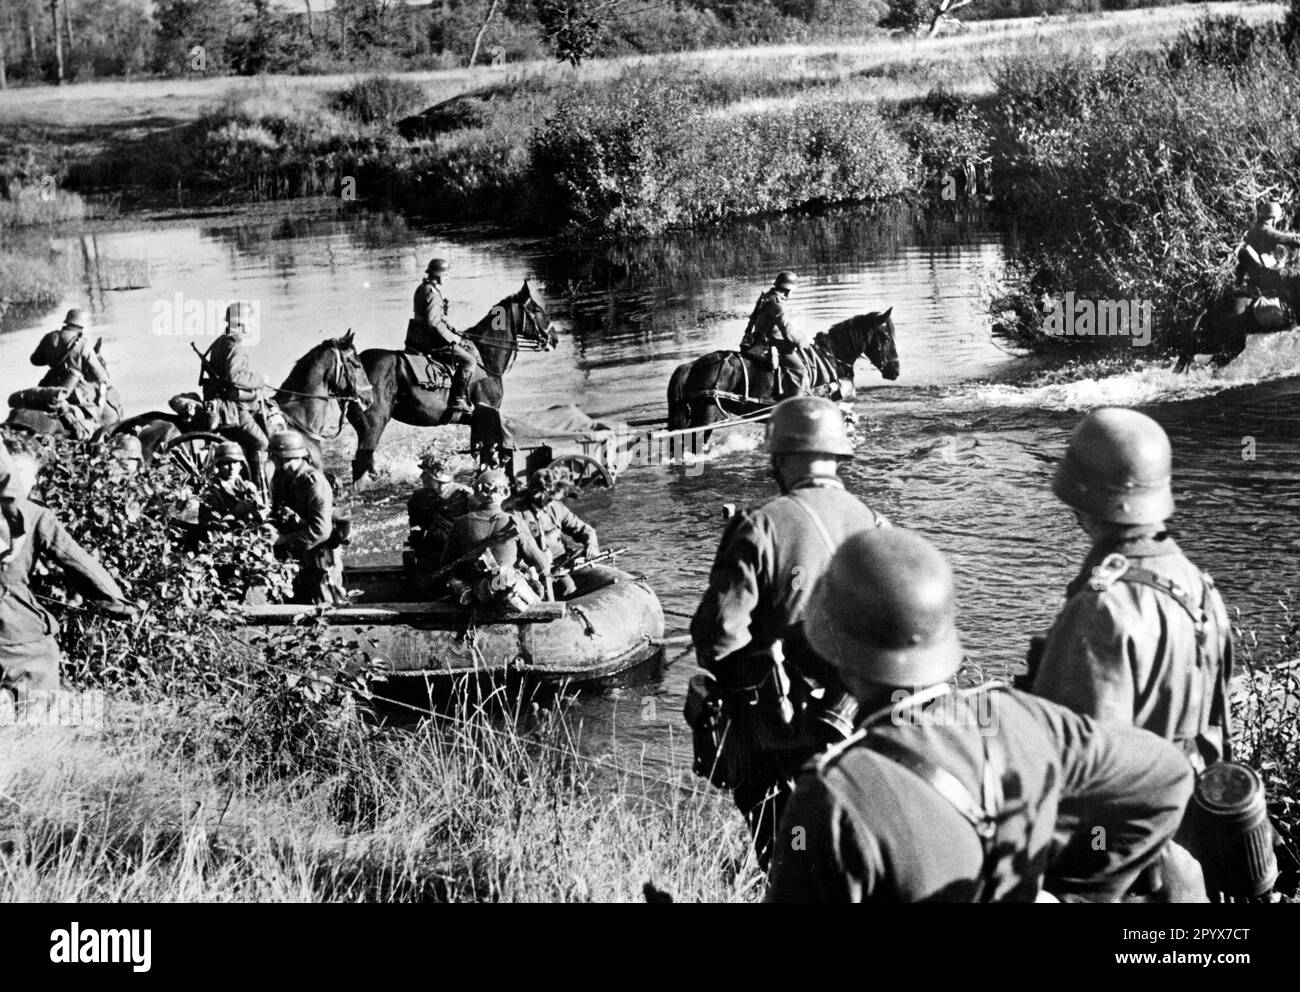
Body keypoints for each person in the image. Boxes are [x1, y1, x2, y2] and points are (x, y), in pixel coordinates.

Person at [766, 528, 1196, 903]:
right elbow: (1168, 778)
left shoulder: (835, 792)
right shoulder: (1023, 717)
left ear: (837, 651)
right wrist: (1079, 893)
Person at [1025, 407, 1233, 901]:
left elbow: (1081, 767)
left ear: (1083, 500)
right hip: (1186, 849)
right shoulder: (1199, 586)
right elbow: (1217, 730)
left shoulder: (1104, 608)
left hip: (1122, 868)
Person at [690, 396, 888, 870]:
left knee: (787, 858)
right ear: (838, 456)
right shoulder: (876, 523)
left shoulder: (762, 526)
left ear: (782, 457)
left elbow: (717, 639)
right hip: (857, 724)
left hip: (784, 735)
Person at [0, 449, 131, 701]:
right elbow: (77, 561)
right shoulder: (35, 514)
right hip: (16, 631)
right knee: (37, 707)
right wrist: (118, 606)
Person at [439, 468, 552, 607]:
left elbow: (446, 563)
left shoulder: (461, 522)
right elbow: (542, 566)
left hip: (473, 597)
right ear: (505, 493)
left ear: (478, 492)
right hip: (507, 594)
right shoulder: (514, 522)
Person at [268, 430, 343, 605]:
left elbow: (321, 531)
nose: (272, 461)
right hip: (297, 555)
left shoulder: (314, 483)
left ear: (283, 458)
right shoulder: (282, 479)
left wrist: (282, 539)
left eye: (275, 457)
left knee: (323, 604)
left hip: (319, 556)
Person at [199, 302, 268, 486]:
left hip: (222, 401)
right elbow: (235, 376)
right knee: (262, 444)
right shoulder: (235, 345)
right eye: (250, 321)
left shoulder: (222, 341)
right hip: (231, 407)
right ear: (241, 322)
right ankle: (261, 492)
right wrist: (260, 379)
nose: (252, 325)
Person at [29, 307, 117, 433]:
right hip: (76, 393)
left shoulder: (49, 337)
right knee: (111, 417)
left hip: (50, 388)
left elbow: (35, 360)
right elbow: (101, 375)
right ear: (81, 326)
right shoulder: (82, 344)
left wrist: (53, 357)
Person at [514, 467, 598, 597]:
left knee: (594, 579)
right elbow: (513, 551)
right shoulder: (517, 514)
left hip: (563, 561)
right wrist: (531, 568)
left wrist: (591, 544)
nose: (551, 503)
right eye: (549, 499)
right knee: (567, 587)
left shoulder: (556, 507)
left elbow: (583, 529)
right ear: (539, 493)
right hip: (536, 569)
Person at [405, 258, 474, 415]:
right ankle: (457, 399)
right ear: (438, 275)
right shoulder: (432, 293)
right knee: (470, 360)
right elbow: (434, 323)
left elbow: (434, 317)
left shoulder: (424, 287)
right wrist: (454, 339)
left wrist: (449, 323)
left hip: (419, 335)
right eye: (446, 274)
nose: (447, 278)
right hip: (430, 340)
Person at [738, 271, 814, 399]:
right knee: (800, 370)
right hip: (771, 345)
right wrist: (804, 342)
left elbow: (752, 320)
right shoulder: (779, 305)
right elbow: (788, 333)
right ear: (788, 290)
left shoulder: (765, 297)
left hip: (757, 342)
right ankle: (796, 405)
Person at [407, 453, 474, 567]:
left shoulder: (466, 497)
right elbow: (416, 525)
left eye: (426, 474)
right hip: (433, 548)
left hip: (459, 552)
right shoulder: (419, 498)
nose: (421, 477)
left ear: (438, 477)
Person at [200, 441, 265, 530]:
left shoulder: (246, 486)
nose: (232, 468)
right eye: (226, 463)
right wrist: (236, 511)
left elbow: (264, 516)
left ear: (241, 465)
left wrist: (257, 503)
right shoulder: (211, 493)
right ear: (218, 465)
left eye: (235, 462)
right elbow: (210, 527)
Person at [1237, 201, 1300, 284]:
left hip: (1250, 273)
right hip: (1263, 274)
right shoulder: (1267, 231)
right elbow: (1292, 239)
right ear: (1274, 218)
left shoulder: (1253, 229)